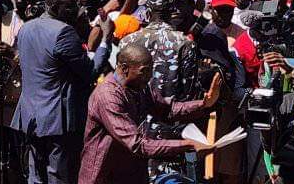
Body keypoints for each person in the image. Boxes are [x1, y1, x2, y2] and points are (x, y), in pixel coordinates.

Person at [78, 43, 220, 184]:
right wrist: (188, 144)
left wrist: (204, 103)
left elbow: (168, 110)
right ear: (124, 68)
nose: (150, 76)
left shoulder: (140, 87)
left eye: (151, 70)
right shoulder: (108, 96)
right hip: (103, 174)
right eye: (145, 71)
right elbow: (138, 145)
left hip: (131, 173)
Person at [12, 0, 109, 184]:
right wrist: (106, 38)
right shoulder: (64, 32)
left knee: (35, 175)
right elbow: (89, 72)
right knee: (58, 175)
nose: (77, 11)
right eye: (71, 7)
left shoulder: (26, 27)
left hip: (30, 115)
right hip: (57, 118)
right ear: (55, 8)